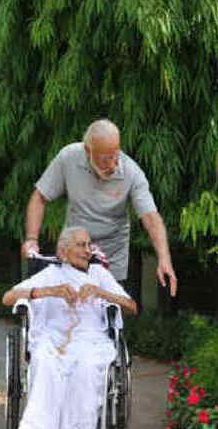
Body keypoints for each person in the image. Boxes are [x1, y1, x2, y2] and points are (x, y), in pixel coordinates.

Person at [1, 226, 137, 429]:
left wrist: (101, 292)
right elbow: (8, 297)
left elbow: (131, 306)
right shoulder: (52, 274)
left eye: (89, 244)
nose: (88, 250)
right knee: (45, 366)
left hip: (90, 340)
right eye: (81, 245)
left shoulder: (100, 274)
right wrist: (50, 291)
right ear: (64, 251)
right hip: (53, 338)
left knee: (85, 374)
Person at [20, 118, 178, 297]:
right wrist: (31, 239)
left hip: (111, 259)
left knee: (107, 317)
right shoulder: (69, 157)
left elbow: (151, 218)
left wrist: (164, 258)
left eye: (115, 156)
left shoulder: (132, 172)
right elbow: (39, 197)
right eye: (105, 159)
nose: (112, 165)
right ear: (88, 151)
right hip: (73, 252)